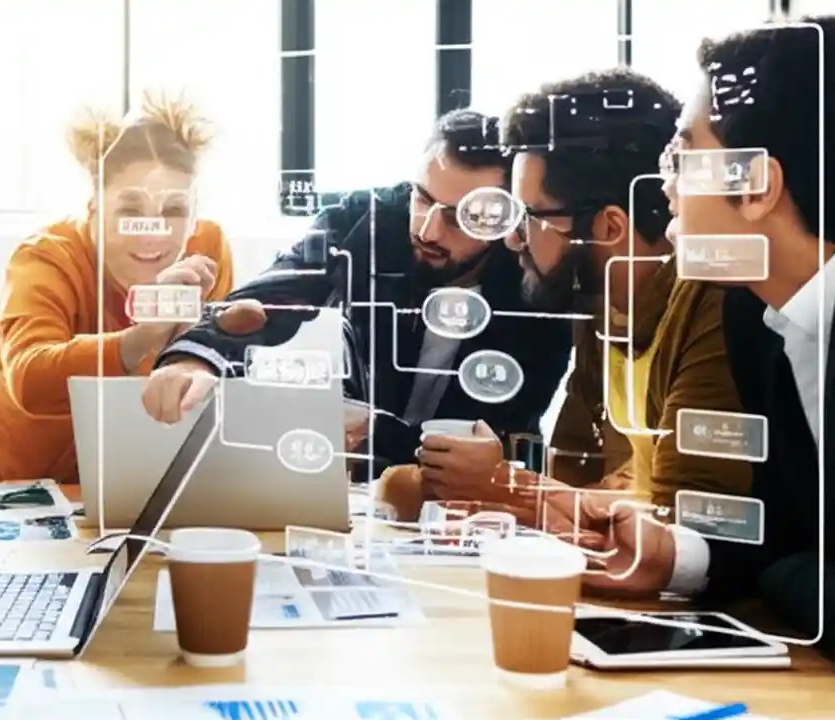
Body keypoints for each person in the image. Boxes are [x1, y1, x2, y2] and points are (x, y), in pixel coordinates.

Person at [580, 18, 835, 651]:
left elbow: (798, 564)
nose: (664, 184)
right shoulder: (756, 318)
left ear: (755, 187)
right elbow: (781, 536)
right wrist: (669, 555)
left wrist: (790, 573)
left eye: (681, 156)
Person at [141, 109, 573, 473]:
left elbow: (497, 444)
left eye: (460, 217)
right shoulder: (363, 222)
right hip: (353, 492)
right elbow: (274, 295)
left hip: (471, 512)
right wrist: (194, 359)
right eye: (423, 198)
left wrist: (373, 431)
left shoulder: (535, 289)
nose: (427, 231)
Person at [417, 69, 754, 525]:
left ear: (609, 227)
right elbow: (575, 476)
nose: (513, 239)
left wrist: (503, 484)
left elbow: (688, 520)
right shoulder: (602, 306)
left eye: (529, 216)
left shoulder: (713, 307)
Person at [0, 91, 234, 483]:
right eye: (130, 210)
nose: (152, 235)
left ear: (194, 216)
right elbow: (29, 378)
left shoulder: (207, 250)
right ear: (94, 208)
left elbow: (212, 362)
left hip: (131, 466)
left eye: (173, 211)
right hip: (23, 475)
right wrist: (143, 337)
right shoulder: (46, 257)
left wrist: (193, 348)